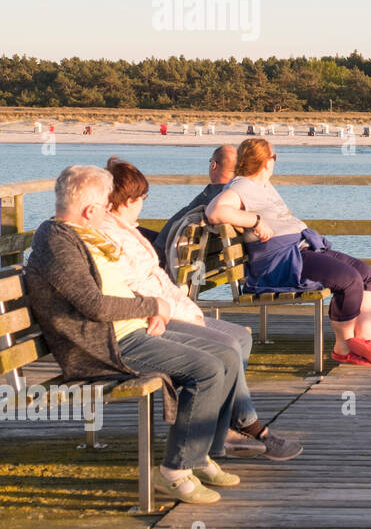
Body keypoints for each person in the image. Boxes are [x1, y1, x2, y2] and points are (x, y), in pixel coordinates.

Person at [24, 165, 241, 504]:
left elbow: (117, 290)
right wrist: (151, 305)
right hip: (104, 345)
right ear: (90, 210)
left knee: (226, 355)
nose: (109, 211)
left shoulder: (83, 234)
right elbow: (94, 305)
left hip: (128, 329)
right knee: (208, 369)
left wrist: (149, 309)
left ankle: (197, 456)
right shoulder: (58, 242)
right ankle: (174, 471)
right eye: (104, 206)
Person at [101, 157, 302, 460]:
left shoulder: (129, 230)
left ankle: (222, 436)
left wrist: (186, 307)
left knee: (241, 337)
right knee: (227, 348)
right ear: (128, 200)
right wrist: (176, 310)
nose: (143, 204)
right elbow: (137, 289)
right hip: (146, 324)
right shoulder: (113, 236)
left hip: (169, 310)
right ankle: (247, 429)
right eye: (142, 199)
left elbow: (159, 283)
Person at [205, 138, 371, 367]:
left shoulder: (261, 185)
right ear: (266, 162)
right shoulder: (241, 186)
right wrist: (254, 221)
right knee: (348, 280)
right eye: (274, 157)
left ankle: (366, 339)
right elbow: (214, 211)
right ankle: (343, 347)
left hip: (299, 246)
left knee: (365, 273)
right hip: (282, 260)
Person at [153, 144, 237, 263]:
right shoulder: (229, 195)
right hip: (177, 249)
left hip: (162, 253)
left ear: (214, 165)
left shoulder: (217, 197)